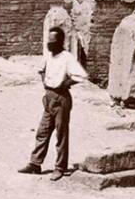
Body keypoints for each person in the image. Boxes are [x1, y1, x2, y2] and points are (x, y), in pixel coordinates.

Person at [19, 26, 88, 180]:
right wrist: (44, 81)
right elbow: (41, 69)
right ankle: (35, 164)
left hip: (61, 98)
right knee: (42, 131)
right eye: (48, 41)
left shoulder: (67, 57)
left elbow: (81, 76)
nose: (49, 44)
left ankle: (60, 167)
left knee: (61, 134)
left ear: (60, 42)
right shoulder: (48, 55)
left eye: (53, 41)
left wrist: (65, 83)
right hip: (49, 97)